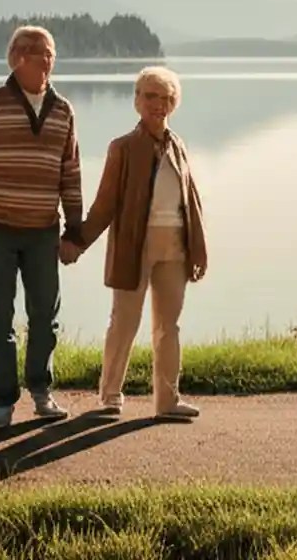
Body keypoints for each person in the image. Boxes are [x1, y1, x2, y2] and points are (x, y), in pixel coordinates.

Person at [0, 25, 83, 430]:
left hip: (44, 231)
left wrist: (74, 231)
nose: (48, 59)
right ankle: (3, 401)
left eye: (51, 52)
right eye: (39, 52)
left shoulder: (63, 110)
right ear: (17, 58)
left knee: (45, 315)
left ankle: (41, 391)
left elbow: (70, 174)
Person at [63, 66, 208, 419]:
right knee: (124, 321)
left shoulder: (179, 146)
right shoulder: (123, 148)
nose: (159, 104)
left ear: (174, 103)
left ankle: (167, 401)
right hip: (134, 246)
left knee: (168, 326)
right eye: (151, 96)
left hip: (175, 247)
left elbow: (191, 201)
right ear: (137, 101)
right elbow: (105, 204)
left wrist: (199, 250)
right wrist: (77, 241)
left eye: (166, 97)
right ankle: (110, 397)